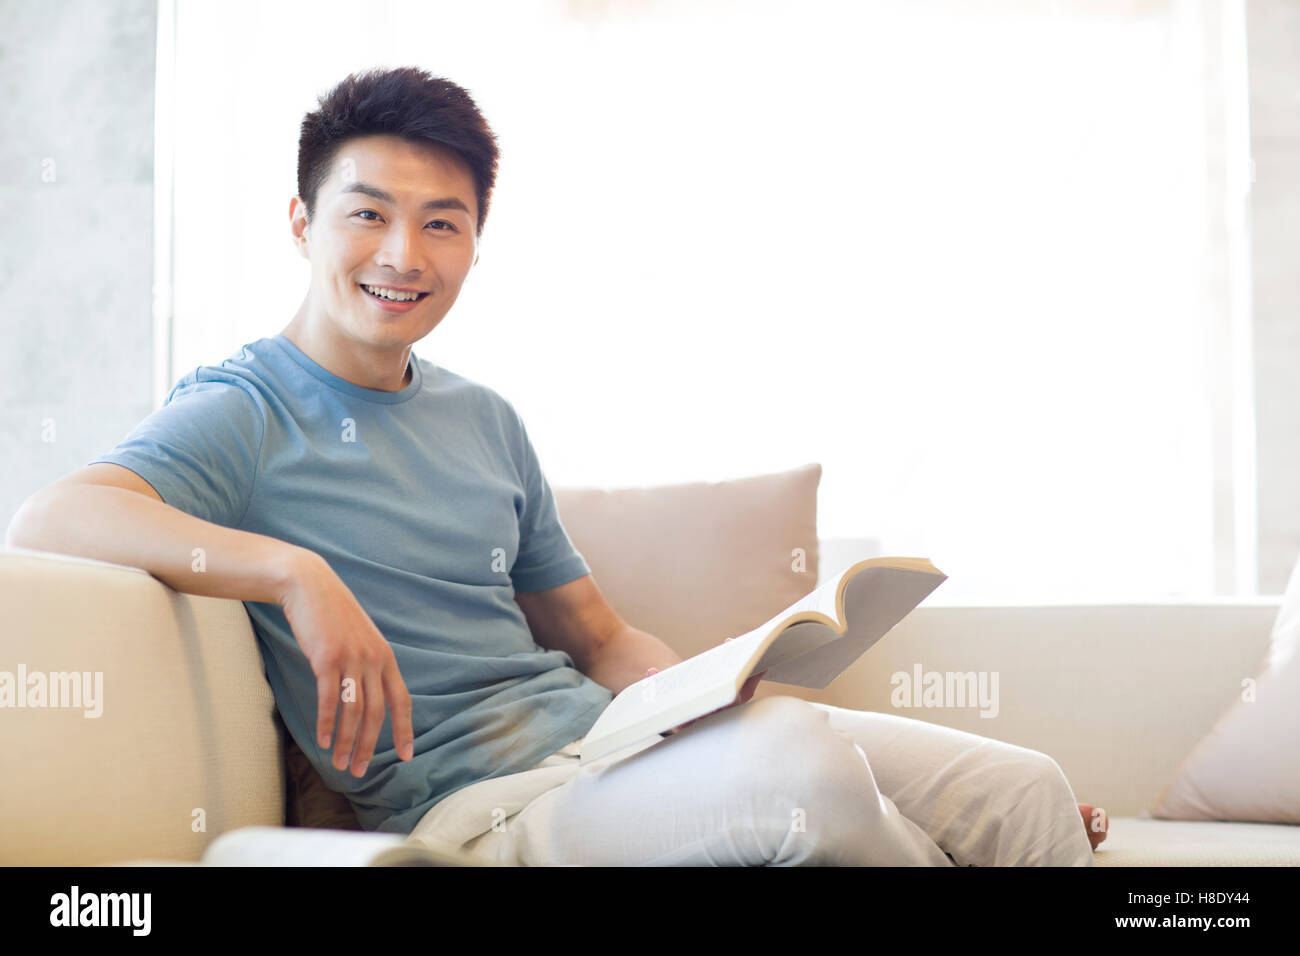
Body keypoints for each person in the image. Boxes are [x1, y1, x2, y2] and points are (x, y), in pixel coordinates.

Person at [6, 66, 1106, 866]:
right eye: (368, 214)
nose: (402, 254)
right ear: (301, 222)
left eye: (441, 223)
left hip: (608, 746)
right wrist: (297, 570)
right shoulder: (242, 407)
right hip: (480, 807)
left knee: (1023, 788)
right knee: (806, 780)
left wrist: (706, 696)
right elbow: (54, 515)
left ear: (476, 244)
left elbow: (595, 635)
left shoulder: (483, 418)